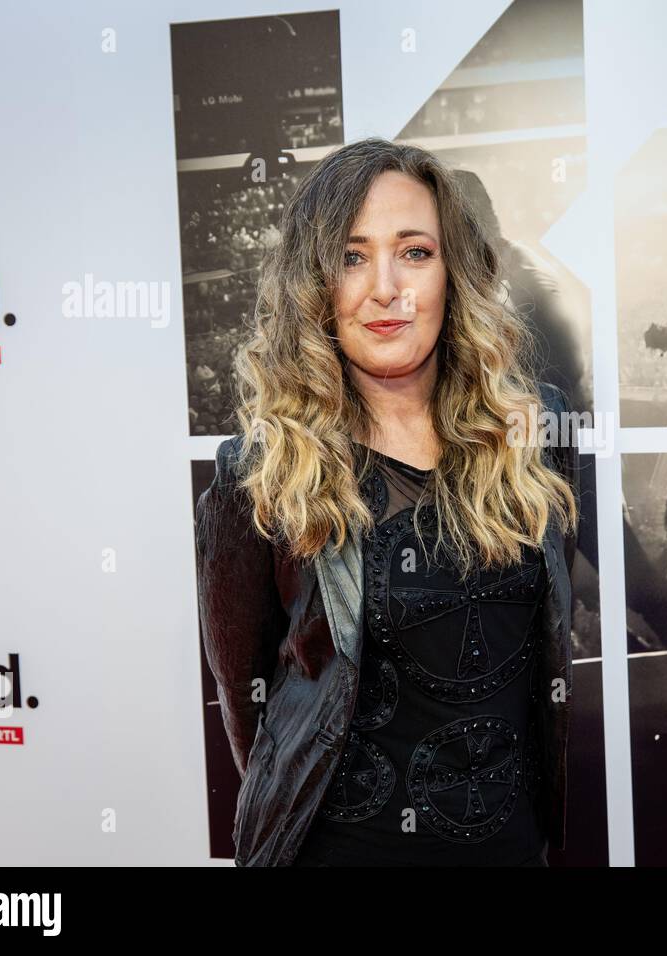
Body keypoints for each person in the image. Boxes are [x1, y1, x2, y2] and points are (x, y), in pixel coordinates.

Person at [195, 137, 580, 867]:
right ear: (315, 282)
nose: (384, 287)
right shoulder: (261, 469)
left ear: (453, 272)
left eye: (414, 252)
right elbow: (249, 708)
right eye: (350, 256)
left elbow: (543, 659)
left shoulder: (537, 430)